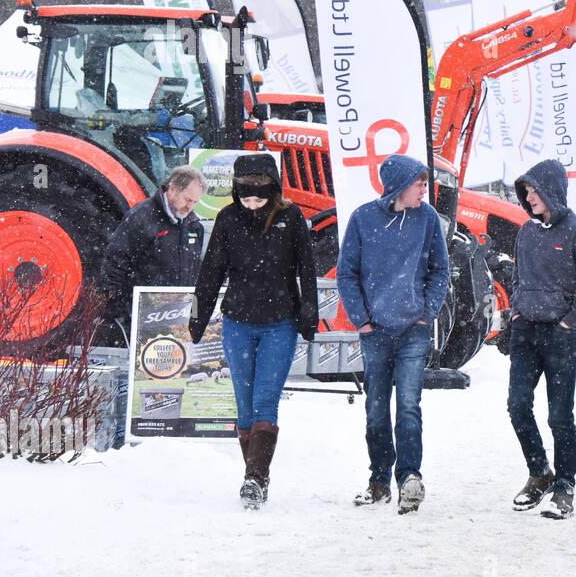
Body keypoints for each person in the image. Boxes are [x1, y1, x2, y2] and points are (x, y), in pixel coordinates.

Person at [190, 154, 317, 508]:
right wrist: (198, 317)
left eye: (258, 197)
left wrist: (309, 312)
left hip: (280, 322)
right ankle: (257, 476)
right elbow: (211, 271)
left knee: (264, 401)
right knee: (244, 407)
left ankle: (254, 479)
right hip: (237, 323)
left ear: (273, 191)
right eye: (245, 197)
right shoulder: (228, 219)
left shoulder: (290, 218)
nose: (251, 203)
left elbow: (307, 268)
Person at [336, 154, 450, 515]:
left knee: (409, 407)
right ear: (400, 185)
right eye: (419, 184)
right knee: (375, 408)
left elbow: (440, 270)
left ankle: (410, 478)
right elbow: (346, 273)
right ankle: (379, 480)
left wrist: (426, 313)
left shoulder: (428, 218)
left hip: (413, 329)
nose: (424, 190)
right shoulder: (363, 218)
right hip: (376, 332)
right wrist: (362, 320)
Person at [506, 159, 576, 519]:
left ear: (551, 190)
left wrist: (569, 322)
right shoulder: (526, 232)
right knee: (517, 406)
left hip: (560, 337)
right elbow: (518, 278)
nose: (528, 196)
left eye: (534, 189)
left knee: (559, 416)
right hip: (525, 333)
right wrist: (517, 311)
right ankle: (539, 473)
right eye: (526, 190)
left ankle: (564, 486)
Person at [99, 165, 206, 343]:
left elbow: (194, 268)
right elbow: (115, 261)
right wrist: (116, 308)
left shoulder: (194, 226)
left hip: (179, 314)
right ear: (172, 189)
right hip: (143, 314)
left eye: (195, 202)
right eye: (188, 199)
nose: (190, 207)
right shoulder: (141, 218)